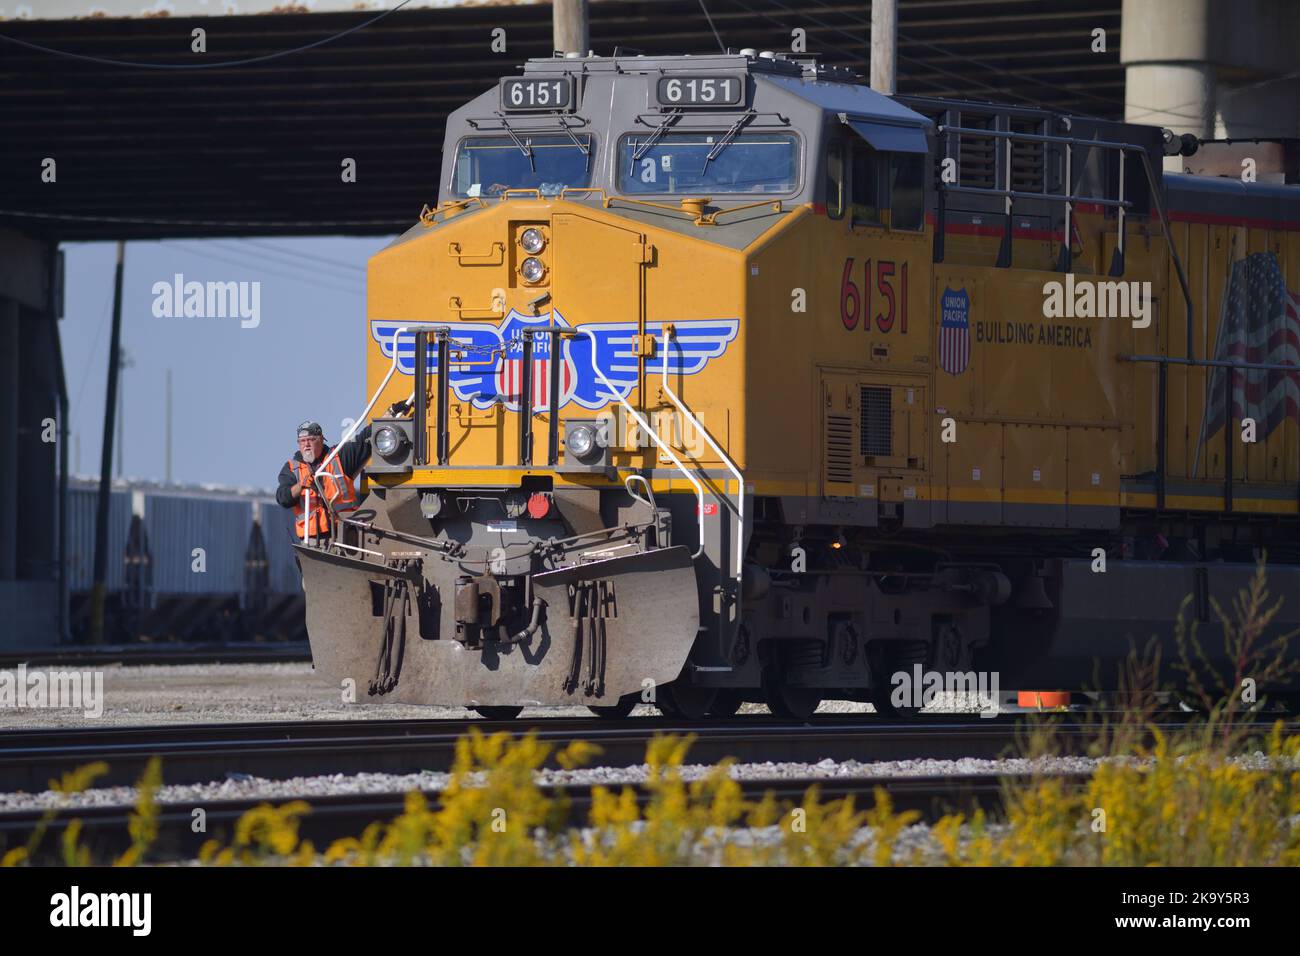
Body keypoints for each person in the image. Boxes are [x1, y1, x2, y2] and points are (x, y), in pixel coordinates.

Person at [275, 419, 375, 542]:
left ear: (321, 439)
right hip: (312, 541)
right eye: (302, 441)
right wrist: (300, 486)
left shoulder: (339, 457)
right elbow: (283, 498)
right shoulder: (291, 468)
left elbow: (365, 437)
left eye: (311, 439)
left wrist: (390, 414)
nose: (306, 444)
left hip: (346, 534)